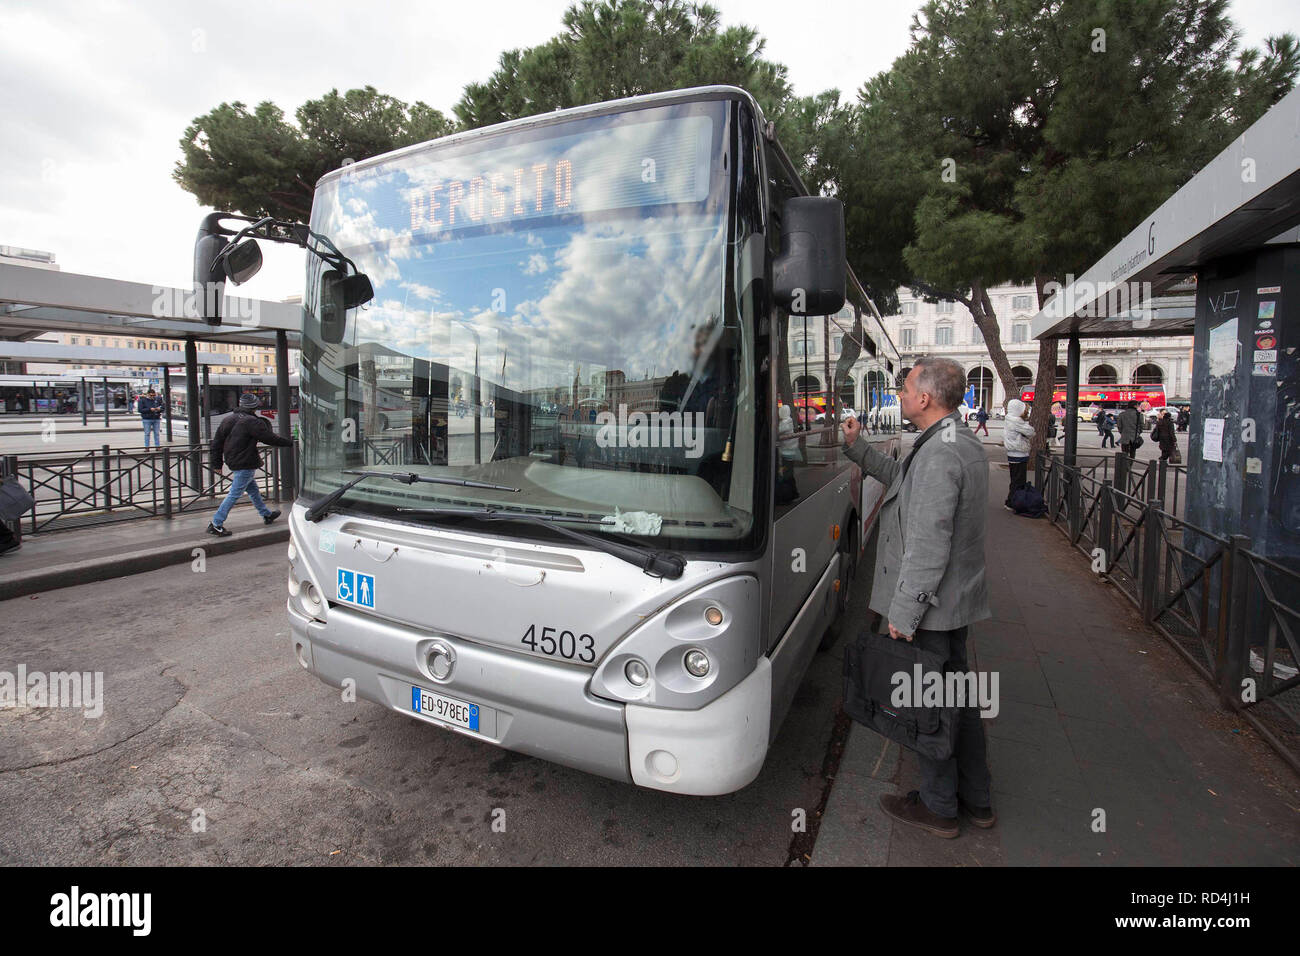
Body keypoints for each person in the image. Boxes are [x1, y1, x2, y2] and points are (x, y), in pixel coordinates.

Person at [841, 356, 993, 838]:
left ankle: (938, 807)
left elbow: (928, 546)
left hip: (928, 610)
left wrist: (902, 615)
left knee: (930, 711)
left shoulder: (940, 454)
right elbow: (902, 480)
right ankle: (977, 800)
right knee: (959, 703)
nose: (900, 395)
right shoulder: (952, 441)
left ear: (925, 398)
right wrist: (857, 448)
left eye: (906, 388)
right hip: (953, 605)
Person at [206, 393, 293, 536]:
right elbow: (269, 438)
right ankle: (216, 523)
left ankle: (266, 514)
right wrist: (290, 443)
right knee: (234, 494)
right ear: (254, 406)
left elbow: (216, 444)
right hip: (245, 462)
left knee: (252, 489)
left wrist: (217, 464)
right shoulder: (252, 421)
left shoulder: (227, 419)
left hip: (233, 460)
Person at [1002, 398, 1036, 507]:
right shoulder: (1016, 421)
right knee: (1018, 481)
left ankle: (1013, 501)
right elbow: (1030, 431)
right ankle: (1013, 502)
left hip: (1013, 453)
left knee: (1015, 480)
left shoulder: (1009, 419)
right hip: (1019, 453)